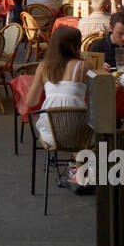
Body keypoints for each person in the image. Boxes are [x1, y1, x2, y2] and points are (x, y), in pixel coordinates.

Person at [24, 26, 91, 178]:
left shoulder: (44, 67)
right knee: (82, 128)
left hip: (51, 135)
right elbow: (93, 97)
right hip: (80, 136)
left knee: (70, 124)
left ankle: (76, 170)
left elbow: (30, 101)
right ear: (76, 45)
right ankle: (79, 171)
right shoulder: (85, 66)